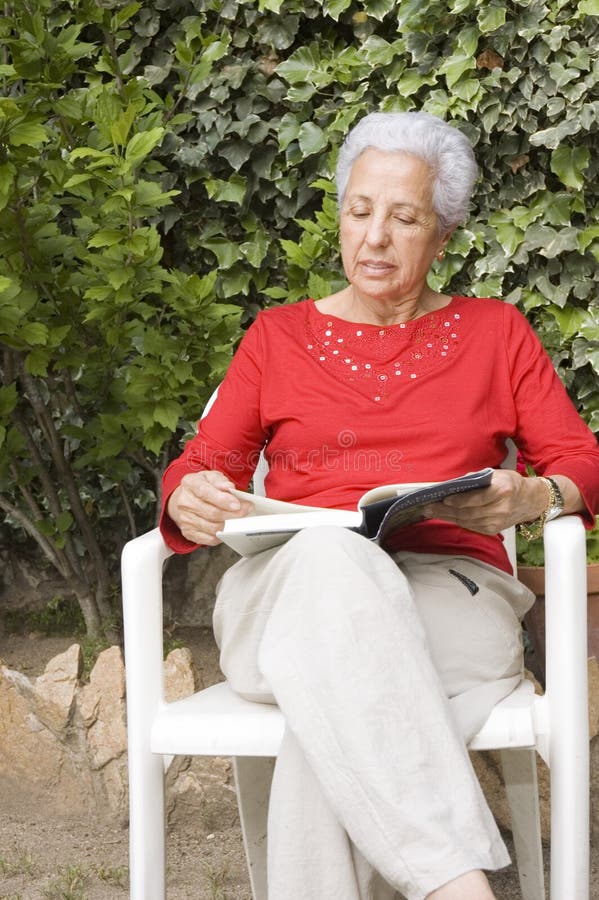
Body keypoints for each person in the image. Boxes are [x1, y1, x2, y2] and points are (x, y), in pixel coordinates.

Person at [160, 111, 599, 900]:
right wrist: (188, 496)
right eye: (359, 211)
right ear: (339, 216)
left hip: (447, 589)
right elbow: (204, 467)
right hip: (286, 588)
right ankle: (460, 885)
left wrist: (533, 494)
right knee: (333, 560)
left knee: (324, 713)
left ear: (444, 234)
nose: (374, 237)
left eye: (403, 219)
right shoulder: (276, 337)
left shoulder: (495, 333)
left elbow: (579, 462)